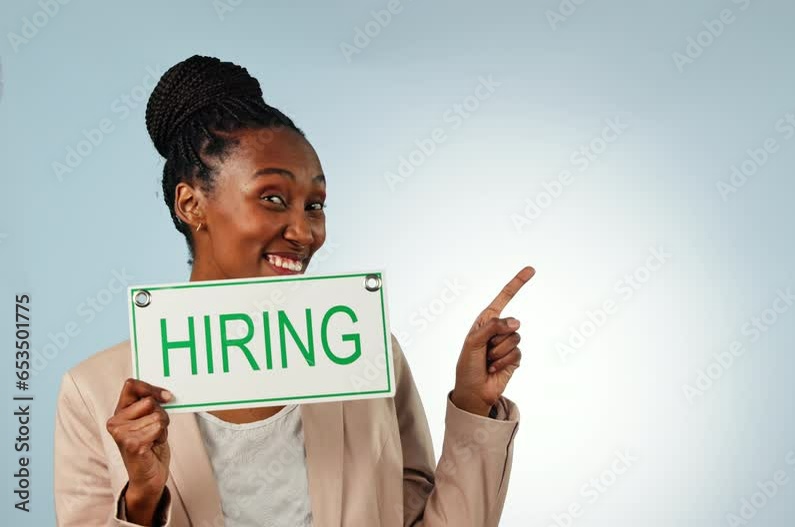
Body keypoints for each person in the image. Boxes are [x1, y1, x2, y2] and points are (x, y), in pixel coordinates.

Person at [53, 55, 534, 526]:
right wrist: (141, 499)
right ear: (191, 204)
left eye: (315, 205)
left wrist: (473, 406)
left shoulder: (365, 356)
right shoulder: (94, 392)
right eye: (273, 199)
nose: (305, 233)